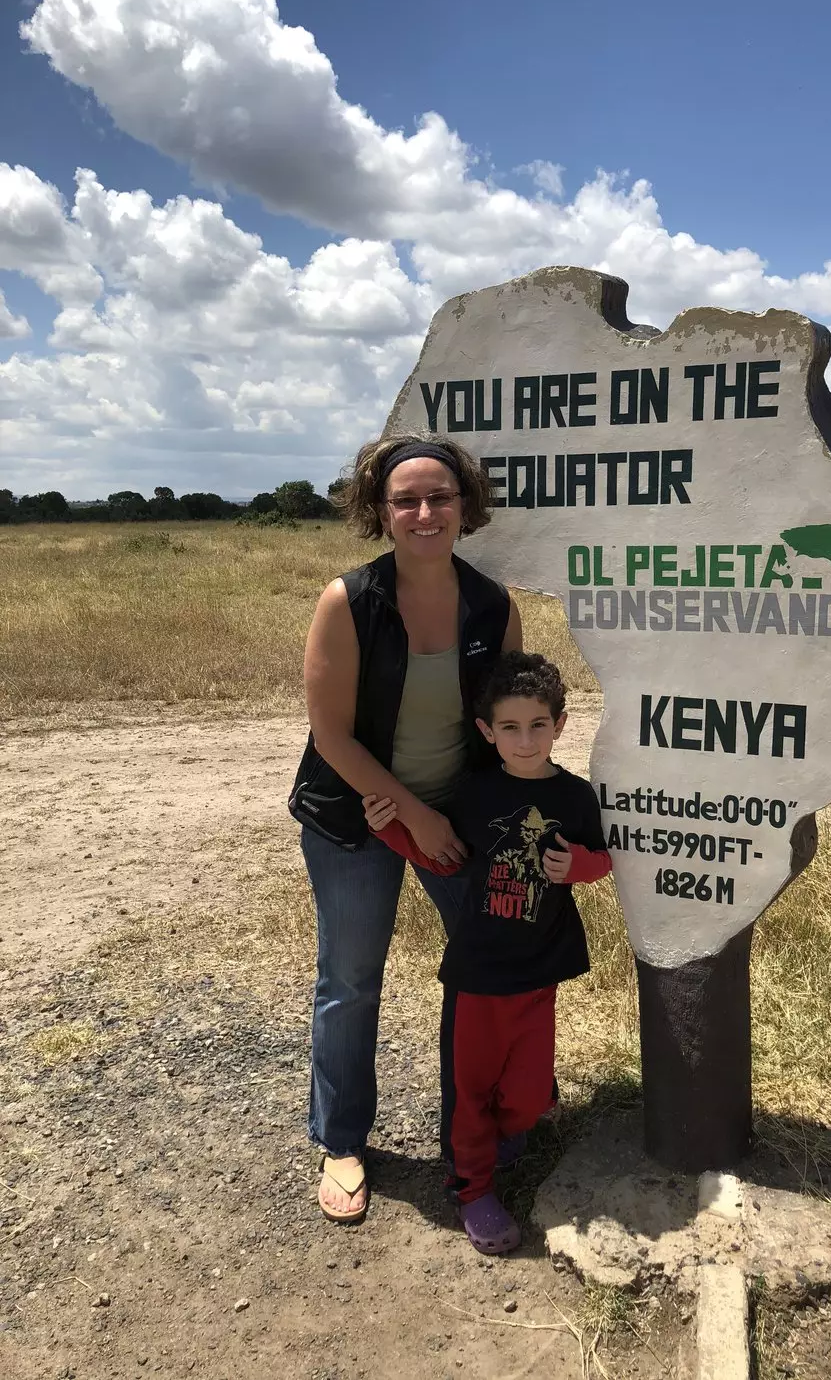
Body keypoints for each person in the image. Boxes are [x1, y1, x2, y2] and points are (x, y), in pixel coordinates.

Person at [289, 435, 522, 1224]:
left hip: (453, 814)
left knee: (482, 968)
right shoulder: (348, 600)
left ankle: (478, 1128)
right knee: (350, 980)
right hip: (355, 814)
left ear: (465, 506)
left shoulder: (493, 605)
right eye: (406, 500)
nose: (426, 513)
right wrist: (405, 809)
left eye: (441, 497)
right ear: (379, 511)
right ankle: (344, 1139)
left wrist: (483, 818)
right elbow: (333, 736)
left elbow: (503, 725)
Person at [362, 652, 612, 1254]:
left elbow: (605, 859)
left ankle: (507, 1128)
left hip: (540, 974)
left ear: (560, 724)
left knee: (529, 1096)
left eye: (537, 725)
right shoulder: (473, 794)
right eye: (509, 727)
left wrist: (577, 866)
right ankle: (473, 1187)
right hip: (477, 977)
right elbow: (440, 856)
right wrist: (388, 830)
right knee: (471, 1091)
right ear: (486, 731)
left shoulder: (578, 798)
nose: (525, 740)